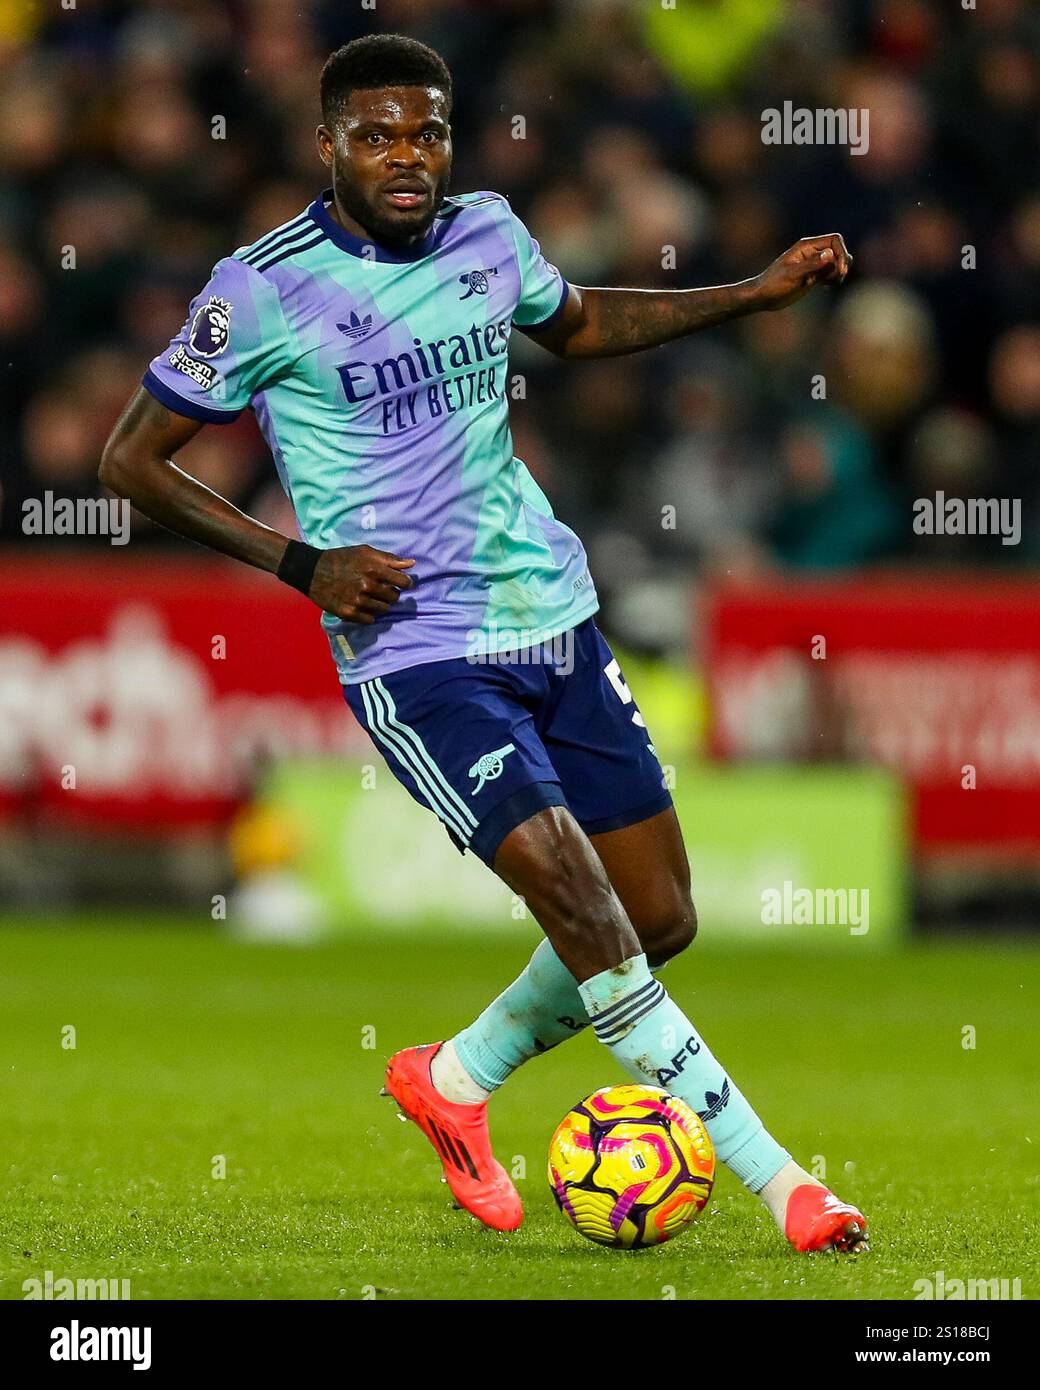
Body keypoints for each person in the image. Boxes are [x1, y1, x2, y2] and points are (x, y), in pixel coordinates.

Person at [101, 33, 865, 1253]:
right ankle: (787, 1185)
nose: (407, 157)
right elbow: (127, 461)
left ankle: (452, 1078)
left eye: (426, 133)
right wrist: (303, 564)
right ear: (327, 145)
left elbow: (576, 325)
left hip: (549, 614)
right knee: (580, 901)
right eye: (377, 135)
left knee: (657, 915)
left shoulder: (489, 232)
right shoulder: (258, 288)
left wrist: (749, 293)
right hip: (416, 649)